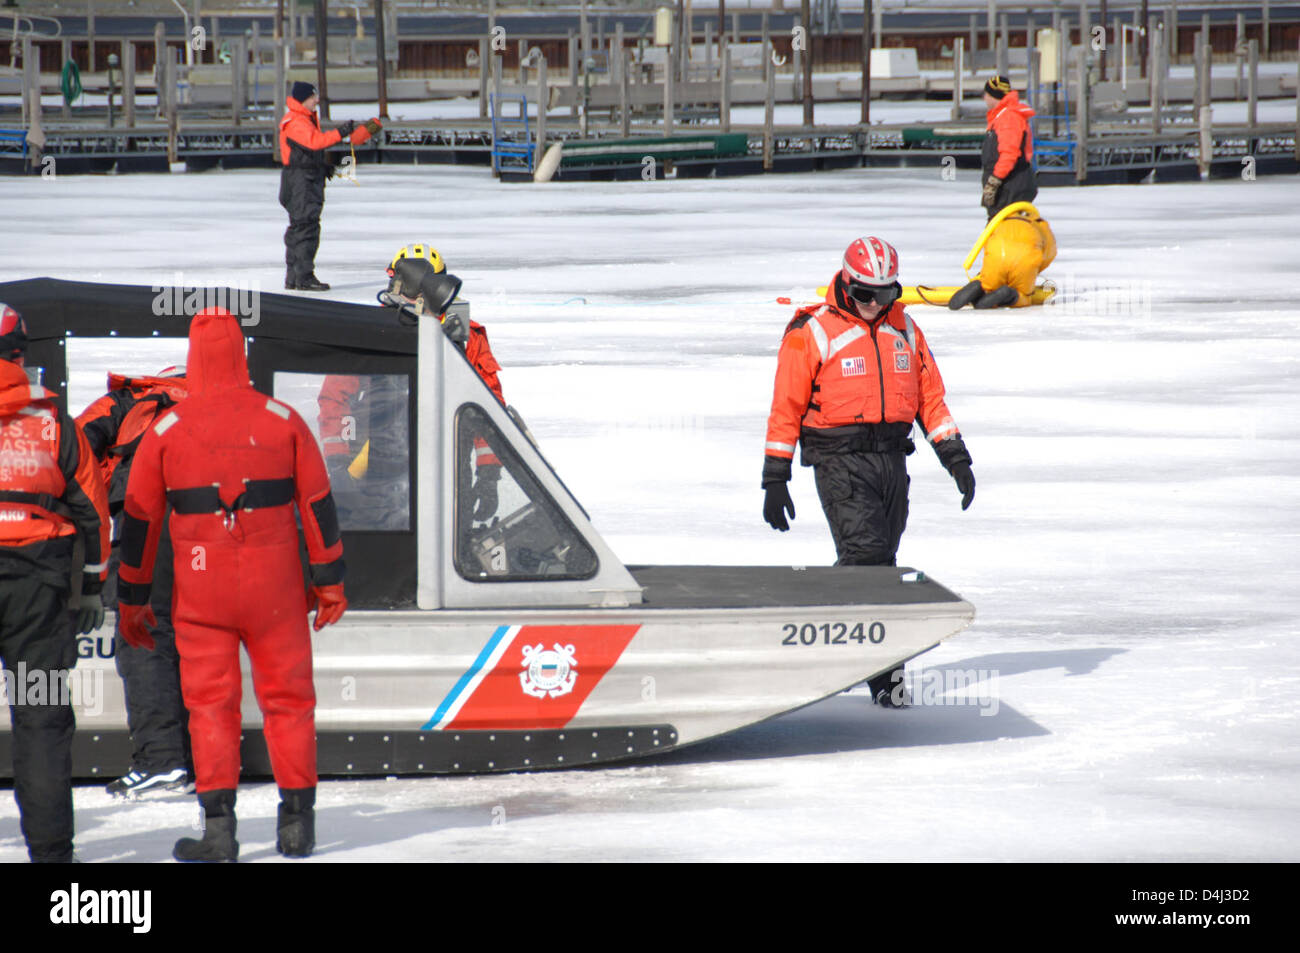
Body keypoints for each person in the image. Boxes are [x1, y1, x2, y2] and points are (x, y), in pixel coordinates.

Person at [117, 306, 347, 862]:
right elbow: (318, 505)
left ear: (193, 359)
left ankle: (219, 832)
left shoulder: (165, 431)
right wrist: (330, 582)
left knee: (210, 707)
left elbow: (139, 523)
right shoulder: (283, 418)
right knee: (290, 703)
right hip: (277, 593)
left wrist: (132, 602)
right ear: (241, 354)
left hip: (201, 593)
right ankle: (297, 827)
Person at [761, 238, 975, 708]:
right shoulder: (812, 330)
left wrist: (955, 458)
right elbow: (786, 406)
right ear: (845, 283)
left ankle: (868, 666)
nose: (876, 305)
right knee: (868, 557)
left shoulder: (906, 329)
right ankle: (877, 679)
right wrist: (775, 477)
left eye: (887, 294)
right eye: (865, 295)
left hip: (891, 461)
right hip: (838, 458)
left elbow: (931, 402)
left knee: (880, 568)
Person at [0, 303, 111, 863]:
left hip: (36, 586)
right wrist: (90, 585)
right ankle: (51, 858)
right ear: (20, 354)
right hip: (38, 592)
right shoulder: (53, 423)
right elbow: (92, 509)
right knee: (40, 716)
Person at [76, 366, 193, 797]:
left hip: (147, 516)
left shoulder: (128, 401)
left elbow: (74, 447)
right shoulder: (222, 405)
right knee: (203, 636)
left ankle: (162, 761)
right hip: (219, 525)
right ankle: (204, 759)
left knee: (142, 632)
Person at [279, 81, 382, 292]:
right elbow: (315, 142)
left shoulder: (302, 119)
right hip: (301, 184)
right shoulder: (296, 121)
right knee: (306, 229)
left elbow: (306, 152)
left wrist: (322, 166)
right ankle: (303, 277)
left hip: (304, 179)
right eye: (313, 97)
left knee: (301, 228)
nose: (317, 100)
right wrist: (341, 132)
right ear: (303, 99)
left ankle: (295, 277)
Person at [948, 203, 1057, 310]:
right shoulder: (1041, 224)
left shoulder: (1001, 219)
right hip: (1025, 261)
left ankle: (980, 285)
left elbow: (987, 244)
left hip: (997, 256)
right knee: (1024, 296)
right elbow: (1050, 253)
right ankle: (1011, 295)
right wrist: (1035, 270)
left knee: (990, 283)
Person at [980, 75, 1037, 219]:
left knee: (1009, 229)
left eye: (986, 94)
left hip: (1010, 186)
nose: (984, 98)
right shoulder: (1000, 117)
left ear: (994, 95)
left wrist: (994, 181)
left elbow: (1009, 154)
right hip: (1007, 186)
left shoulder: (1008, 118)